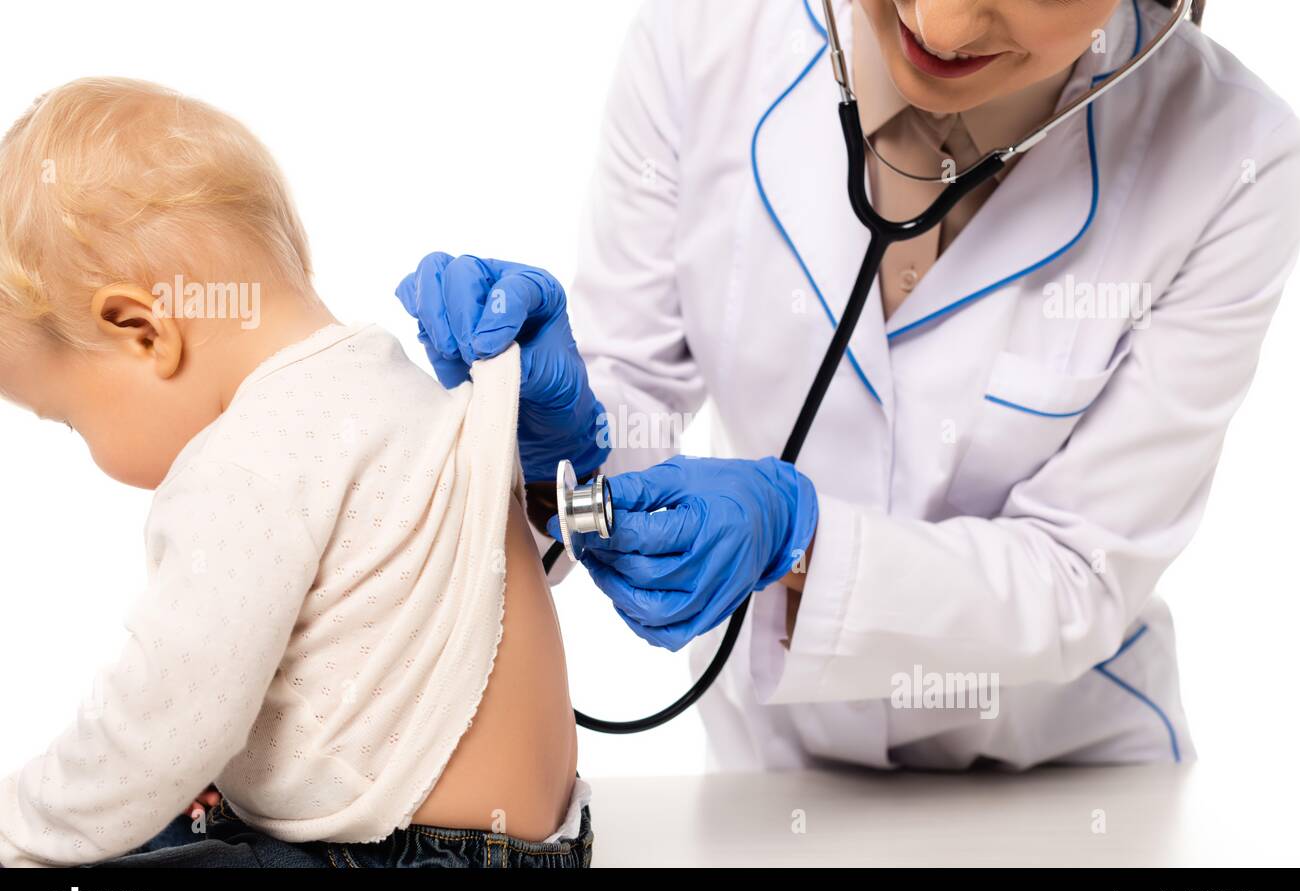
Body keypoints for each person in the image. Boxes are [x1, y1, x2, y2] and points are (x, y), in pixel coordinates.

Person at [398, 0, 1300, 773]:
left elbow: (1079, 569)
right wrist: (549, 450)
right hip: (776, 778)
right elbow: (629, 383)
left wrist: (802, 544)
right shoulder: (708, 31)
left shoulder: (1237, 157)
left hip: (1070, 781)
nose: (939, 22)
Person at [0, 78, 591, 868]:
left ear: (142, 330)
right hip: (536, 846)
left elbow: (163, 722)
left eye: (71, 420)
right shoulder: (387, 378)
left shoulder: (246, 455)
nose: (91, 451)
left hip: (399, 857)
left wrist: (18, 829)